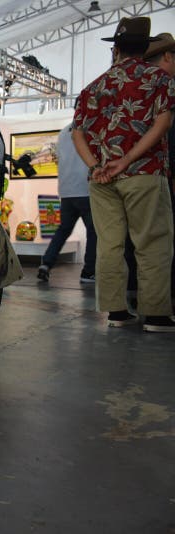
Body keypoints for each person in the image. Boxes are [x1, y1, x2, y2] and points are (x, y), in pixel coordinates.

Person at [72, 17, 175, 332]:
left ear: (115, 48)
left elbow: (77, 133)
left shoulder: (94, 86)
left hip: (102, 179)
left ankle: (116, 312)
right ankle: (156, 315)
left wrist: (95, 166)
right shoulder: (158, 78)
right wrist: (127, 158)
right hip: (143, 171)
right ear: (145, 48)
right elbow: (162, 123)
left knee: (110, 244)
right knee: (152, 242)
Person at [37, 122, 97, 284]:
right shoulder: (90, 128)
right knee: (93, 231)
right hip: (85, 189)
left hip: (66, 189)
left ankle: (46, 264)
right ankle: (89, 271)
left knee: (63, 230)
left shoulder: (63, 132)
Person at [144, 33, 175, 314]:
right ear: (167, 56)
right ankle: (158, 310)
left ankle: (127, 308)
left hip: (133, 175)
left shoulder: (139, 87)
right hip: (156, 174)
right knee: (158, 245)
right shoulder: (165, 86)